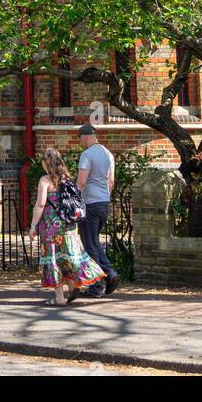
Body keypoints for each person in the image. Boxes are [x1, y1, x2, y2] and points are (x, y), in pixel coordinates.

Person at [28, 146, 106, 306]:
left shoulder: (45, 180)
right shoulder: (66, 178)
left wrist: (33, 225)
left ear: (47, 163)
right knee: (69, 255)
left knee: (53, 259)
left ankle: (59, 297)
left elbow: (41, 204)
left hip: (51, 226)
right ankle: (72, 286)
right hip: (68, 225)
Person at [77, 123, 120, 296]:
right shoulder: (108, 154)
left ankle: (96, 286)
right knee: (94, 241)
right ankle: (109, 273)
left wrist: (74, 202)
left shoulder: (86, 155)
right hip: (104, 202)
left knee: (89, 245)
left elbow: (81, 182)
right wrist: (105, 198)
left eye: (80, 138)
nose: (80, 142)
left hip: (89, 203)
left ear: (85, 136)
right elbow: (111, 181)